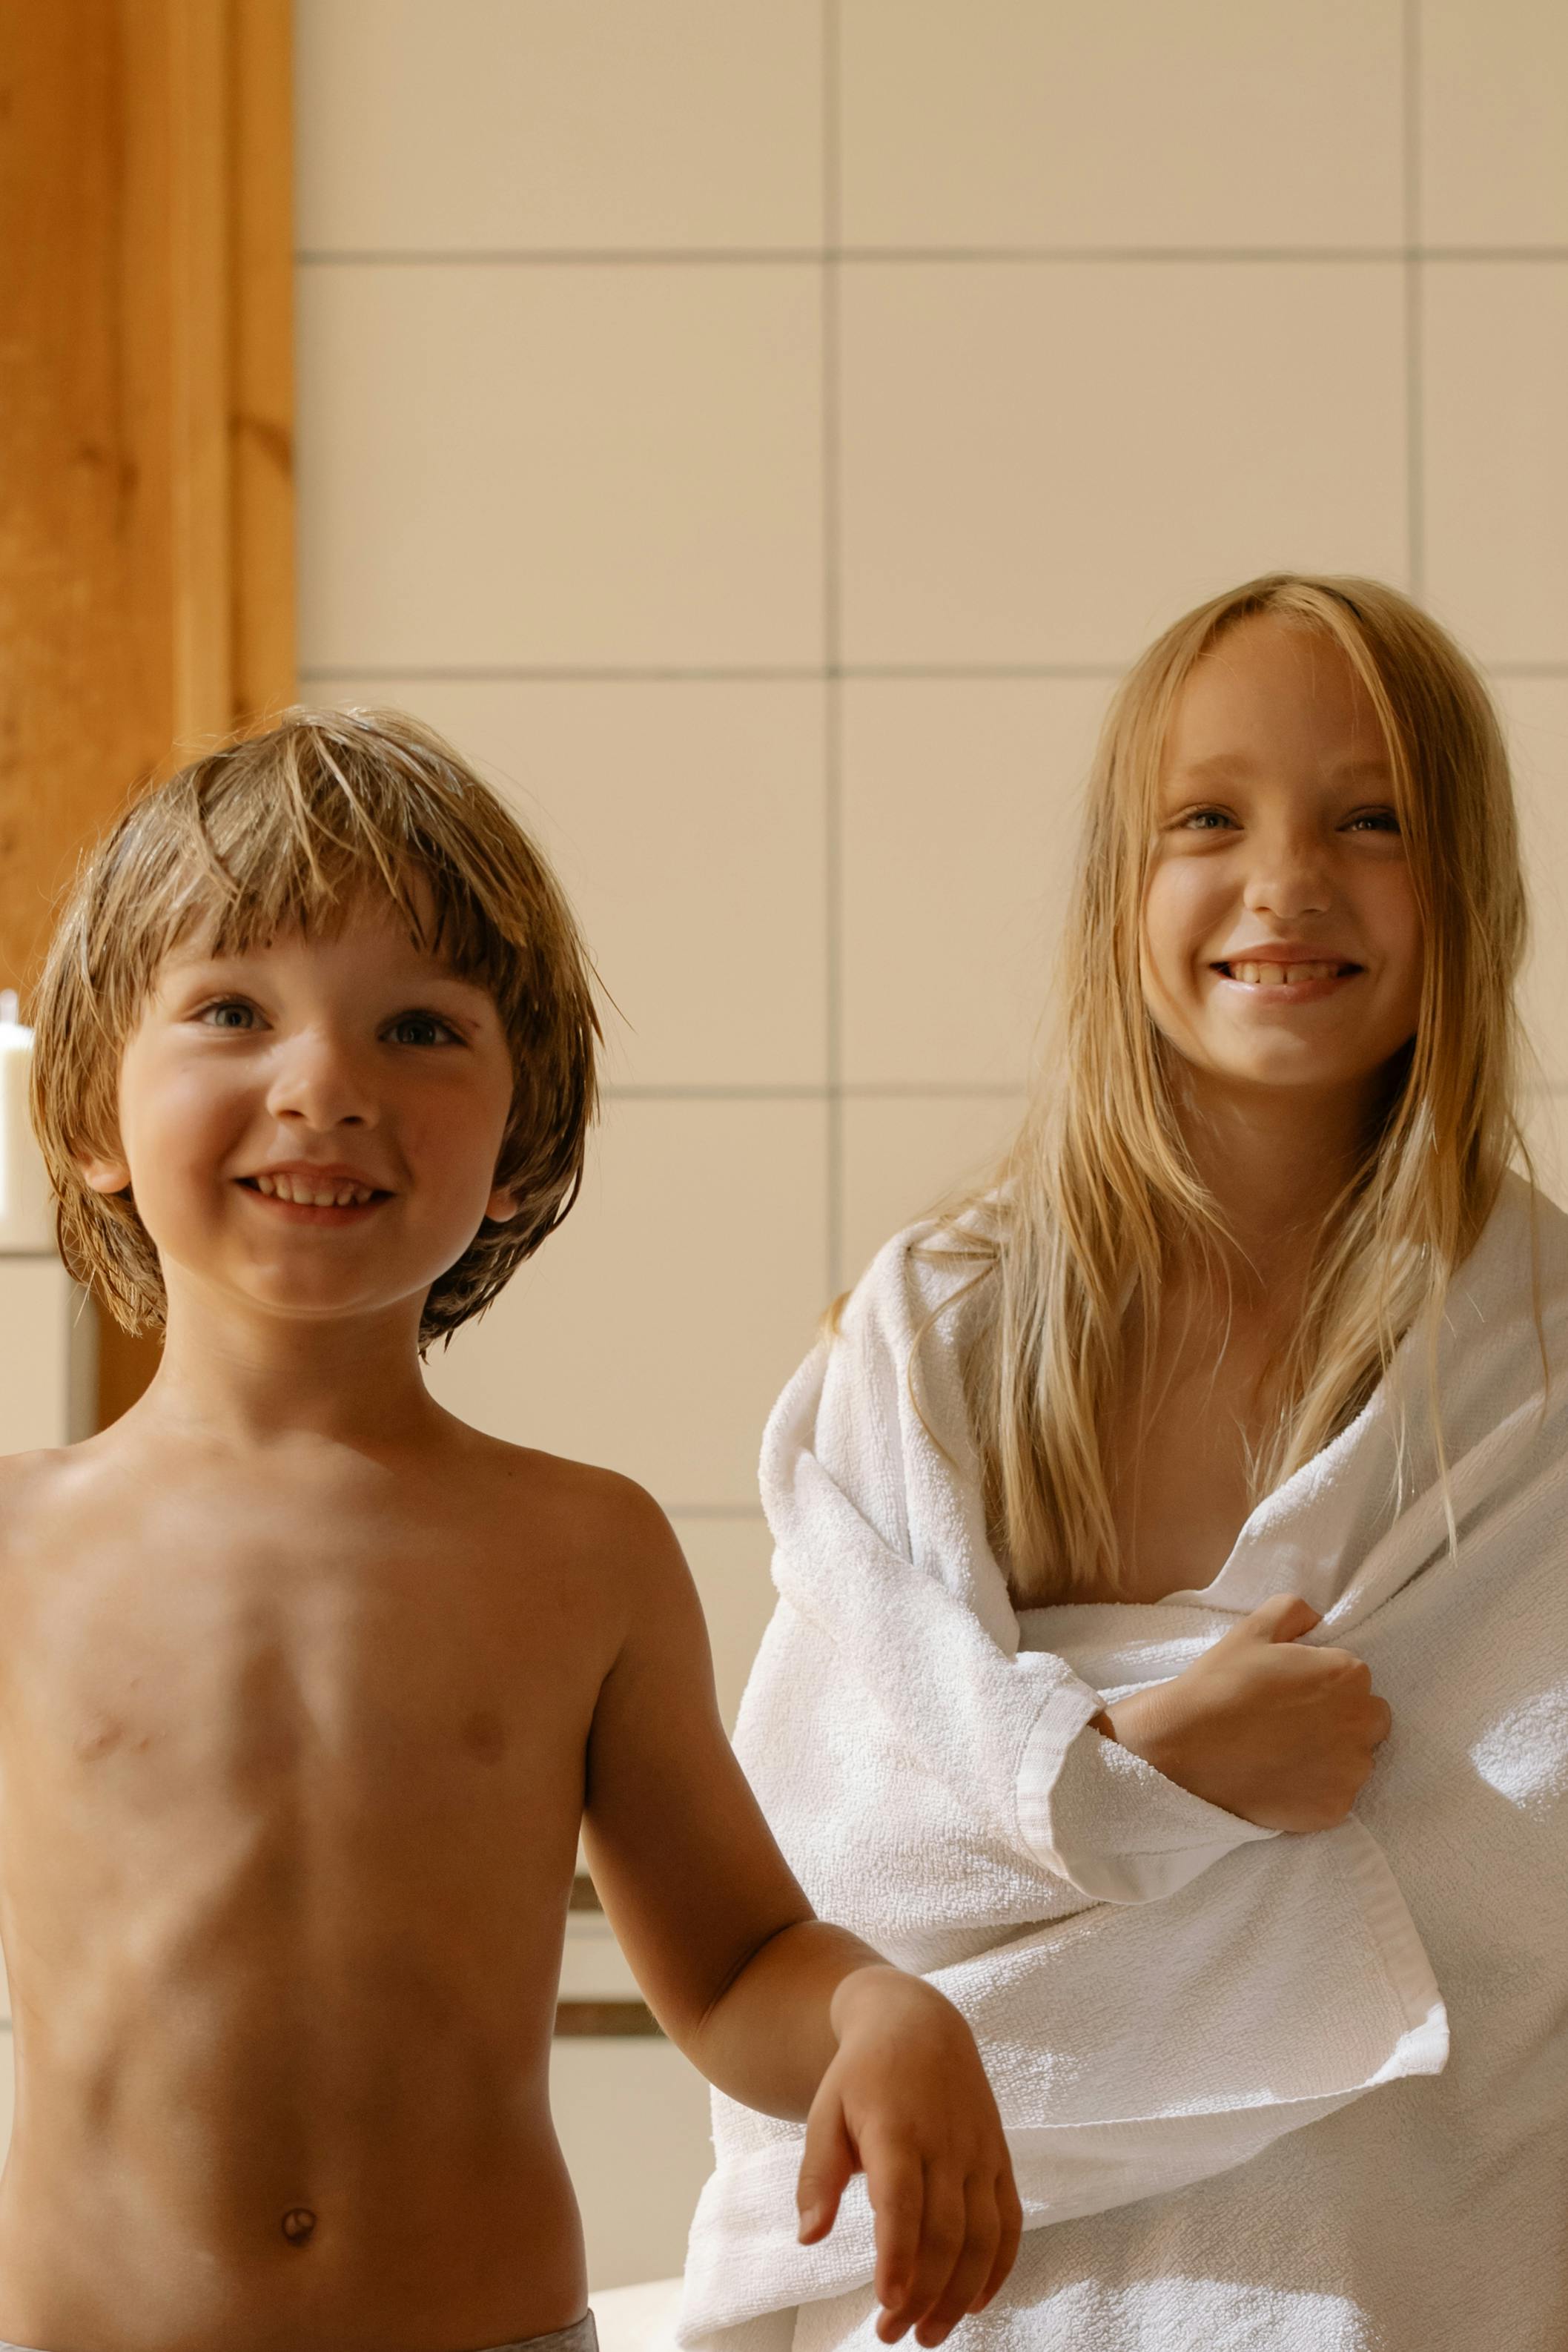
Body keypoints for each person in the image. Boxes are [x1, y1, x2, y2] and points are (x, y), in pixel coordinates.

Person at [4, 710, 1020, 2352]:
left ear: (515, 1148)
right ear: (92, 1119)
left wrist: (869, 2006)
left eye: (417, 1025)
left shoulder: (581, 1553)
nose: (323, 1082)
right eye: (231, 1009)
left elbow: (735, 1959)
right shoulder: (16, 1549)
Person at [680, 575, 1568, 2352]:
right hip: (990, 2300)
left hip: (1406, 2280)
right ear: (1117, 888)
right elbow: (804, 1874)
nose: (1285, 880)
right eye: (1206, 818)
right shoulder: (944, 1336)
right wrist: (1127, 1773)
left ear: (1464, 884)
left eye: (1371, 817)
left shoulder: (1537, 1358)